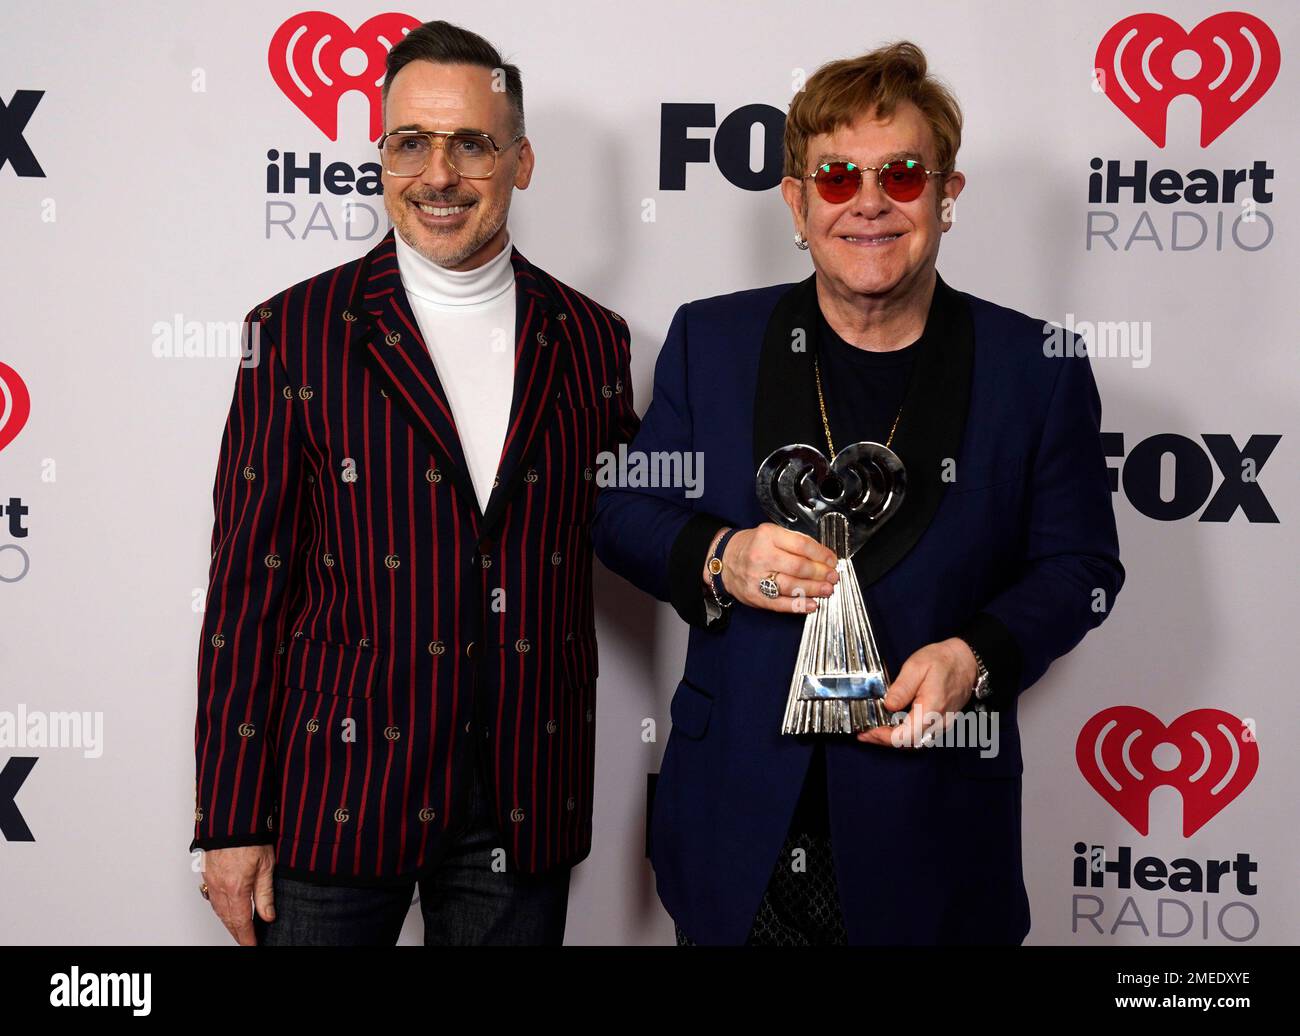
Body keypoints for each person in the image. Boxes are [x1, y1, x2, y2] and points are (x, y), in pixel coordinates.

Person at [591, 40, 1124, 945]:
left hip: (935, 826)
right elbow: (623, 511)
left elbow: (1080, 567)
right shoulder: (710, 340)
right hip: (735, 824)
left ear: (946, 198)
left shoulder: (1036, 368)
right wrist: (723, 557)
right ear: (797, 204)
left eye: (902, 175)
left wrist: (976, 656)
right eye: (837, 178)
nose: (869, 201)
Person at [191, 19, 638, 945]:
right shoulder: (294, 333)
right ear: (382, 156)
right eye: (411, 142)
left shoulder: (594, 339)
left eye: (471, 143)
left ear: (520, 160)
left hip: (521, 800)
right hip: (334, 800)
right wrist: (231, 820)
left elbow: (630, 522)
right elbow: (247, 590)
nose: (439, 174)